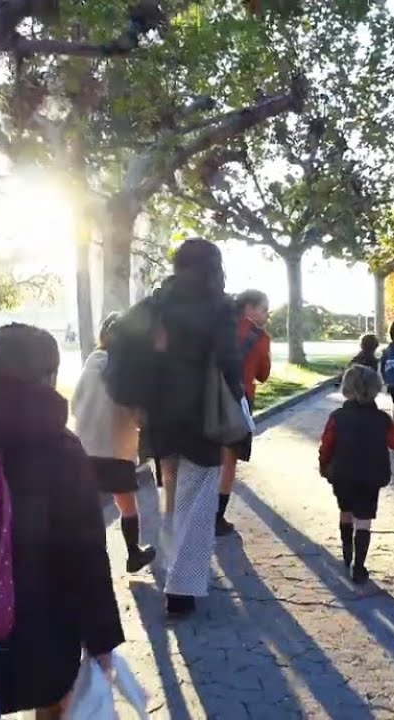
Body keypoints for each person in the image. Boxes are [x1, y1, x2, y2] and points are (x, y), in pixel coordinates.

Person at [0, 324, 124, 719]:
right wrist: (101, 637)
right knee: (55, 699)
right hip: (43, 620)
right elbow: (85, 551)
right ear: (48, 378)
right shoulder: (60, 450)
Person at [118, 237, 243, 618]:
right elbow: (228, 361)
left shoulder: (156, 303)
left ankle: (173, 568)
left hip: (159, 412)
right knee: (198, 500)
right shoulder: (218, 307)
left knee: (173, 495)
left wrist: (137, 399)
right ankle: (182, 587)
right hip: (201, 413)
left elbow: (121, 346)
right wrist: (235, 397)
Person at [71, 313, 157, 572]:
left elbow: (75, 402)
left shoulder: (92, 363)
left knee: (89, 505)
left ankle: (86, 559)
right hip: (118, 447)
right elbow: (138, 412)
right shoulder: (130, 369)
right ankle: (133, 554)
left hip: (86, 445)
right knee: (126, 503)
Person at [318, 365, 394, 584]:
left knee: (346, 511)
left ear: (346, 388)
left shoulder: (338, 416)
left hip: (342, 474)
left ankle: (346, 551)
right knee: (364, 519)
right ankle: (359, 566)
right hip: (372, 475)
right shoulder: (381, 419)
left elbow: (327, 444)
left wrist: (324, 466)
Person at [216, 289, 272, 537]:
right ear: (249, 307)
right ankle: (218, 517)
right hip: (238, 402)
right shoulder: (259, 337)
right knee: (228, 461)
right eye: (263, 309)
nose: (266, 314)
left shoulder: (218, 327)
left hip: (208, 399)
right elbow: (263, 374)